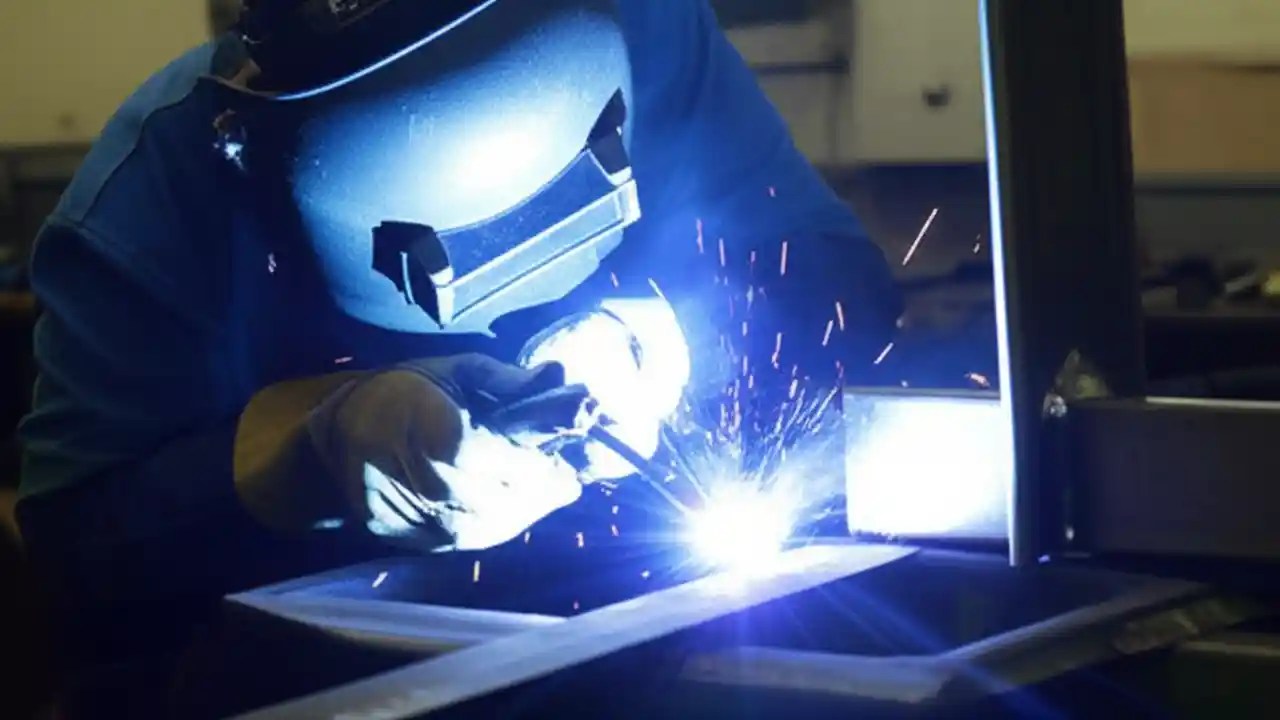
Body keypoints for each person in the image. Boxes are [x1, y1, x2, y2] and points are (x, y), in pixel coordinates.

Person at [17, 0, 900, 714]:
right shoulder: (154, 192)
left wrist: (664, 338)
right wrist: (316, 450)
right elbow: (77, 558)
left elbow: (841, 294)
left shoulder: (651, 26)